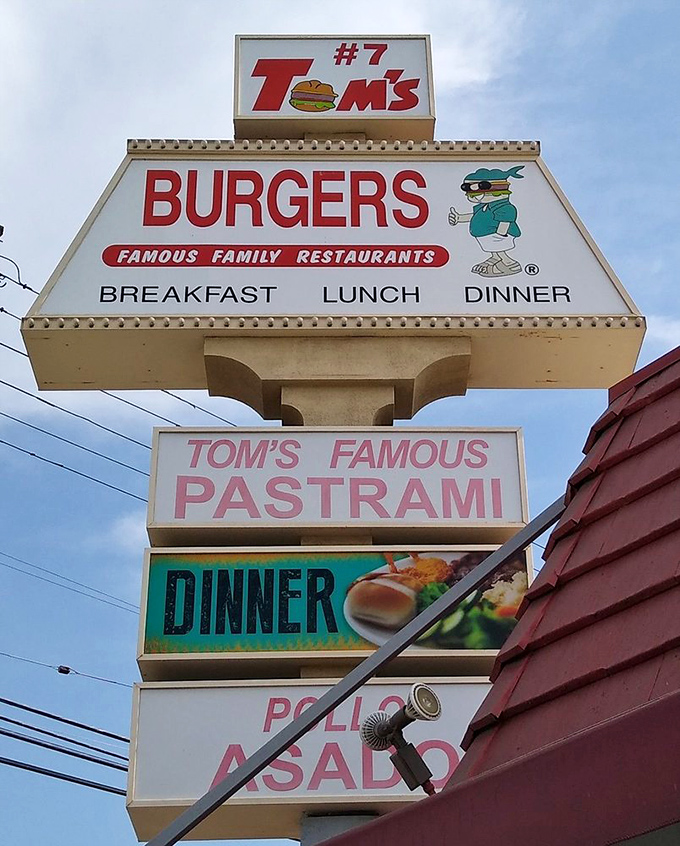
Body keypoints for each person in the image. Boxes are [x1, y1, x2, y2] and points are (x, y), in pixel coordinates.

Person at [448, 165, 524, 276]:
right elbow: (475, 216)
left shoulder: (504, 207)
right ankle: (495, 258)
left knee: (499, 249)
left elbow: (505, 222)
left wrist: (500, 235)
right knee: (493, 248)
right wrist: (459, 218)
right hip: (486, 235)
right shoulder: (482, 206)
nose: (475, 196)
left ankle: (510, 263)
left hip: (498, 234)